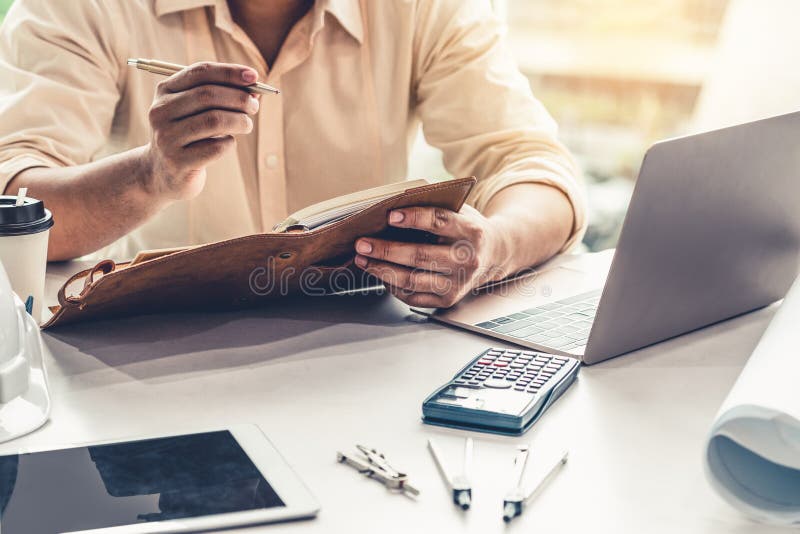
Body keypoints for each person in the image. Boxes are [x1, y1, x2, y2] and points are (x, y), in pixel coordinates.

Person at [0, 0, 585, 308]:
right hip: (152, 363)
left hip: (358, 357)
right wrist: (151, 175)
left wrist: (492, 251)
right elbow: (13, 201)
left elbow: (532, 165)